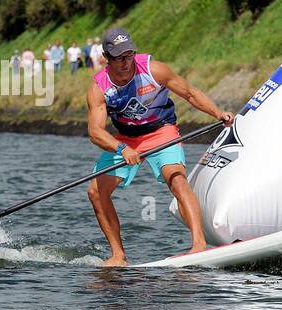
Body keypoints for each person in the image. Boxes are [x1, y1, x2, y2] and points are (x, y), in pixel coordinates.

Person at [87, 27, 234, 266]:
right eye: (119, 57)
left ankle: (199, 244)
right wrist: (122, 149)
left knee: (176, 178)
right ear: (106, 57)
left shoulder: (153, 69)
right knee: (95, 192)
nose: (126, 62)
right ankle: (118, 256)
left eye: (129, 55)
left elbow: (190, 93)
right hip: (125, 138)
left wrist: (218, 113)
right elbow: (95, 131)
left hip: (160, 130)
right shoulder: (100, 87)